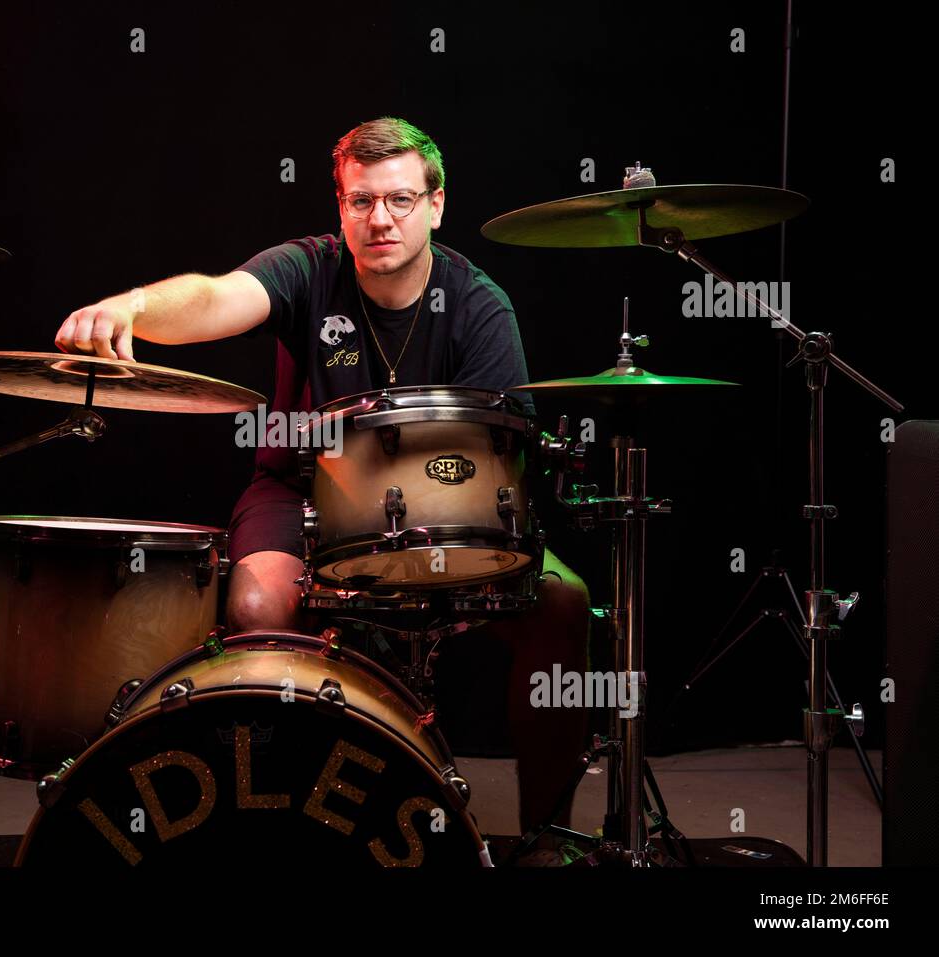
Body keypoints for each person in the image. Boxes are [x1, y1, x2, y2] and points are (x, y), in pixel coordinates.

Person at [56, 117, 590, 862]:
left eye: (401, 200)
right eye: (361, 200)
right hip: (300, 491)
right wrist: (136, 308)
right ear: (339, 205)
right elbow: (218, 296)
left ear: (437, 204)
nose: (381, 219)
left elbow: (513, 455)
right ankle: (283, 824)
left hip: (444, 515)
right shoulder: (308, 268)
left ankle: (546, 837)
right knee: (259, 602)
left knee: (564, 603)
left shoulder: (478, 304)